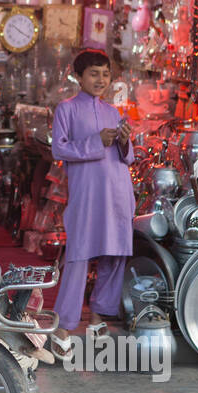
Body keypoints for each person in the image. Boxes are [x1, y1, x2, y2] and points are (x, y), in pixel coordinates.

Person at [47, 49, 134, 358]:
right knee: (79, 256)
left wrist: (123, 139)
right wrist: (99, 140)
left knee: (115, 256)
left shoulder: (113, 112)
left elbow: (129, 156)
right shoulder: (66, 110)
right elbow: (60, 148)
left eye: (105, 74)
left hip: (118, 191)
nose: (101, 80)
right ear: (79, 77)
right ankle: (63, 326)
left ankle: (98, 317)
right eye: (94, 74)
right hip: (86, 194)